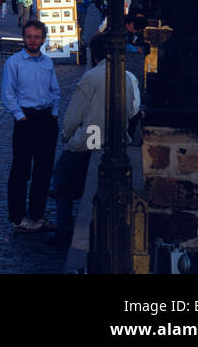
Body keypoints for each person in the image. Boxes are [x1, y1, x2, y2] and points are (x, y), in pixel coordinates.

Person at [47, 33, 141, 246]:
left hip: (91, 137)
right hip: (116, 139)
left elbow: (74, 114)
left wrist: (66, 136)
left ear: (95, 55)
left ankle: (64, 229)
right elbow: (133, 110)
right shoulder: (127, 77)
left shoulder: (92, 76)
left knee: (62, 182)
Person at [2, 19, 61, 232]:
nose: (32, 41)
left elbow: (55, 90)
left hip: (46, 119)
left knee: (43, 171)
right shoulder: (14, 62)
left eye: (36, 37)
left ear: (43, 39)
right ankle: (17, 217)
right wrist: (20, 116)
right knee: (21, 170)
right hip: (26, 120)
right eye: (29, 37)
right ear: (23, 38)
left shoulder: (47, 63)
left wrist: (54, 114)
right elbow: (8, 93)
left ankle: (37, 215)